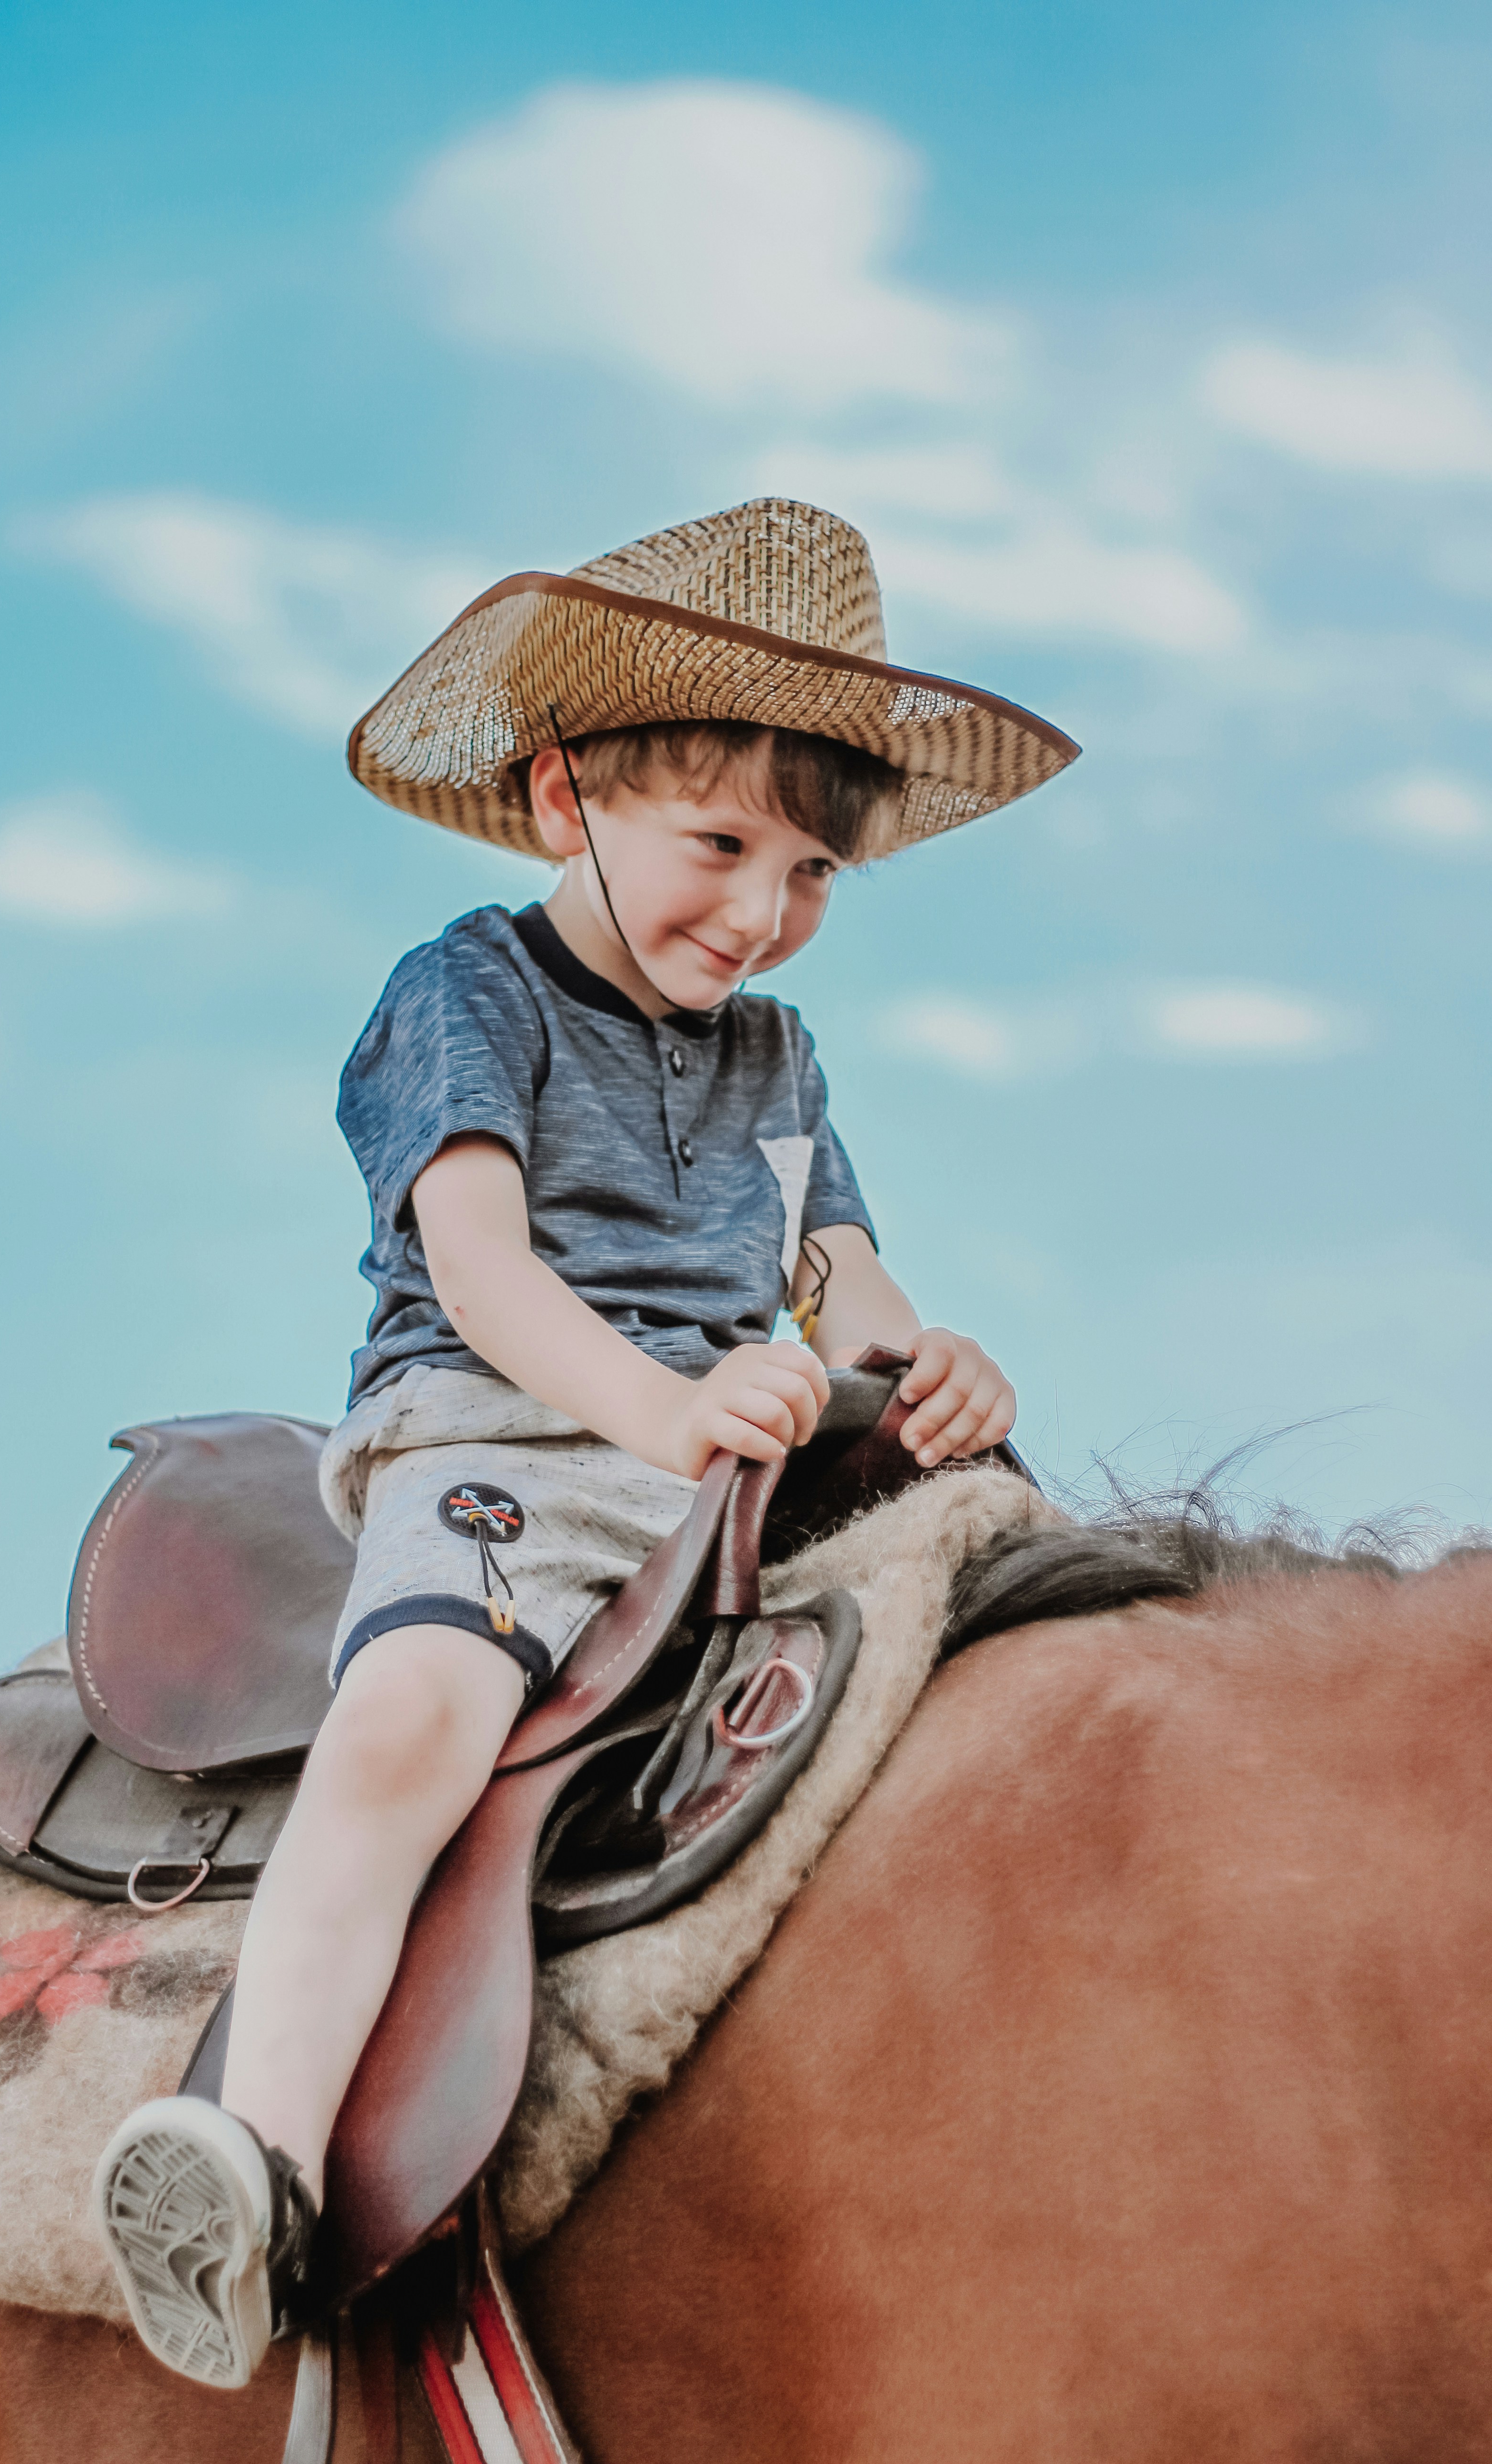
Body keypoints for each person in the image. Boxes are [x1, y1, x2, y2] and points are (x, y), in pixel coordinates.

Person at [92, 498, 1078, 2387]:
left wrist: (931, 1363)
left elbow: (841, 1278)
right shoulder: (466, 993)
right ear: (566, 804)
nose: (761, 911)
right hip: (507, 1456)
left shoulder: (779, 1057)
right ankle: (253, 2157)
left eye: (808, 873)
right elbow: (478, 1271)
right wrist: (658, 1406)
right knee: (415, 1724)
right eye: (719, 846)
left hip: (735, 1474)